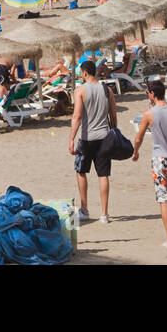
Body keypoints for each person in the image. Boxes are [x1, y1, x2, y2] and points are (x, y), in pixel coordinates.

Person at [131, 79, 167, 249]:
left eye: (147, 93)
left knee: (163, 199)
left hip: (160, 159)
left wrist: (135, 152)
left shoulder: (149, 114)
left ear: (152, 94)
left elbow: (138, 138)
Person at [68, 60, 116, 224]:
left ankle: (84, 209)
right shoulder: (107, 89)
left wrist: (71, 139)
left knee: (81, 172)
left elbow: (77, 116)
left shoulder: (80, 90)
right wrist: (114, 132)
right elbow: (113, 115)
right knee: (103, 175)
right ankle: (104, 214)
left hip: (87, 138)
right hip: (104, 136)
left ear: (84, 73)